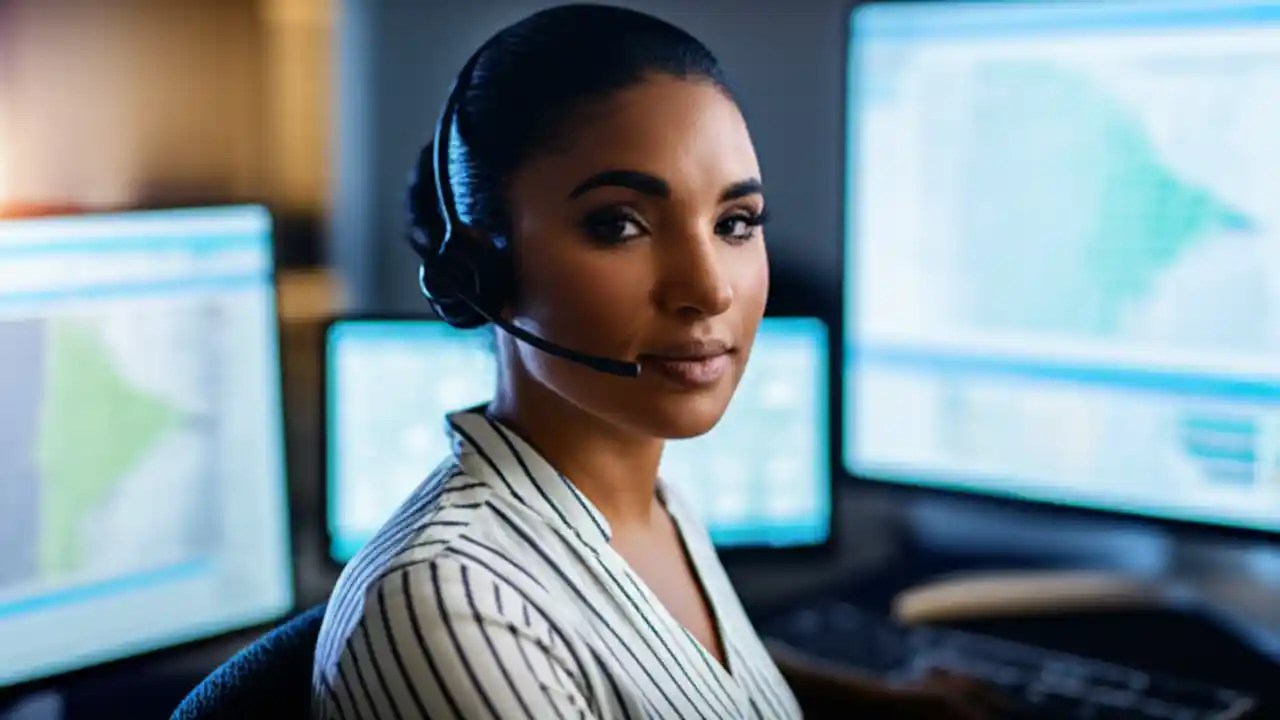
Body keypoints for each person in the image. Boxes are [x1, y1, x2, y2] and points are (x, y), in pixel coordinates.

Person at [312, 5, 1003, 718]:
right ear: (480, 272)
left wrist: (880, 705)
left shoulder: (650, 505)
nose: (709, 289)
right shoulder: (456, 609)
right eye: (619, 224)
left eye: (735, 223)